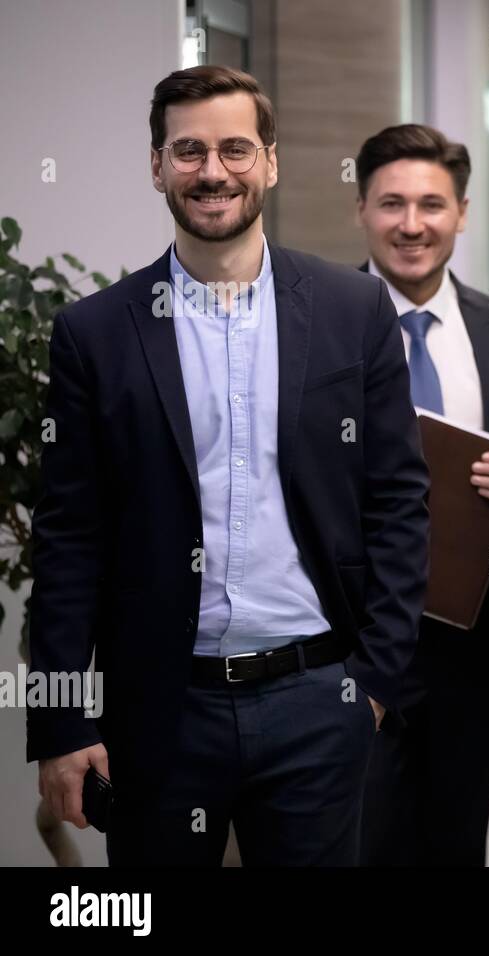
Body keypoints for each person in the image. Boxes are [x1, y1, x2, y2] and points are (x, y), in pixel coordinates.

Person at [26, 65, 429, 866]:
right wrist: (64, 723)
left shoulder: (353, 311)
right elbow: (69, 540)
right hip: (160, 712)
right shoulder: (94, 335)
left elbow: (399, 501)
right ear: (157, 166)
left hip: (318, 698)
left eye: (236, 149)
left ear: (271, 161)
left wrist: (373, 685)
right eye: (189, 151)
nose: (213, 172)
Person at [353, 123, 489, 866]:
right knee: (361, 845)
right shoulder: (321, 326)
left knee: (457, 845)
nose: (411, 225)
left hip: (473, 642)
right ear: (360, 210)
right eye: (390, 203)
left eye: (432, 204)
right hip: (355, 644)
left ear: (462, 212)